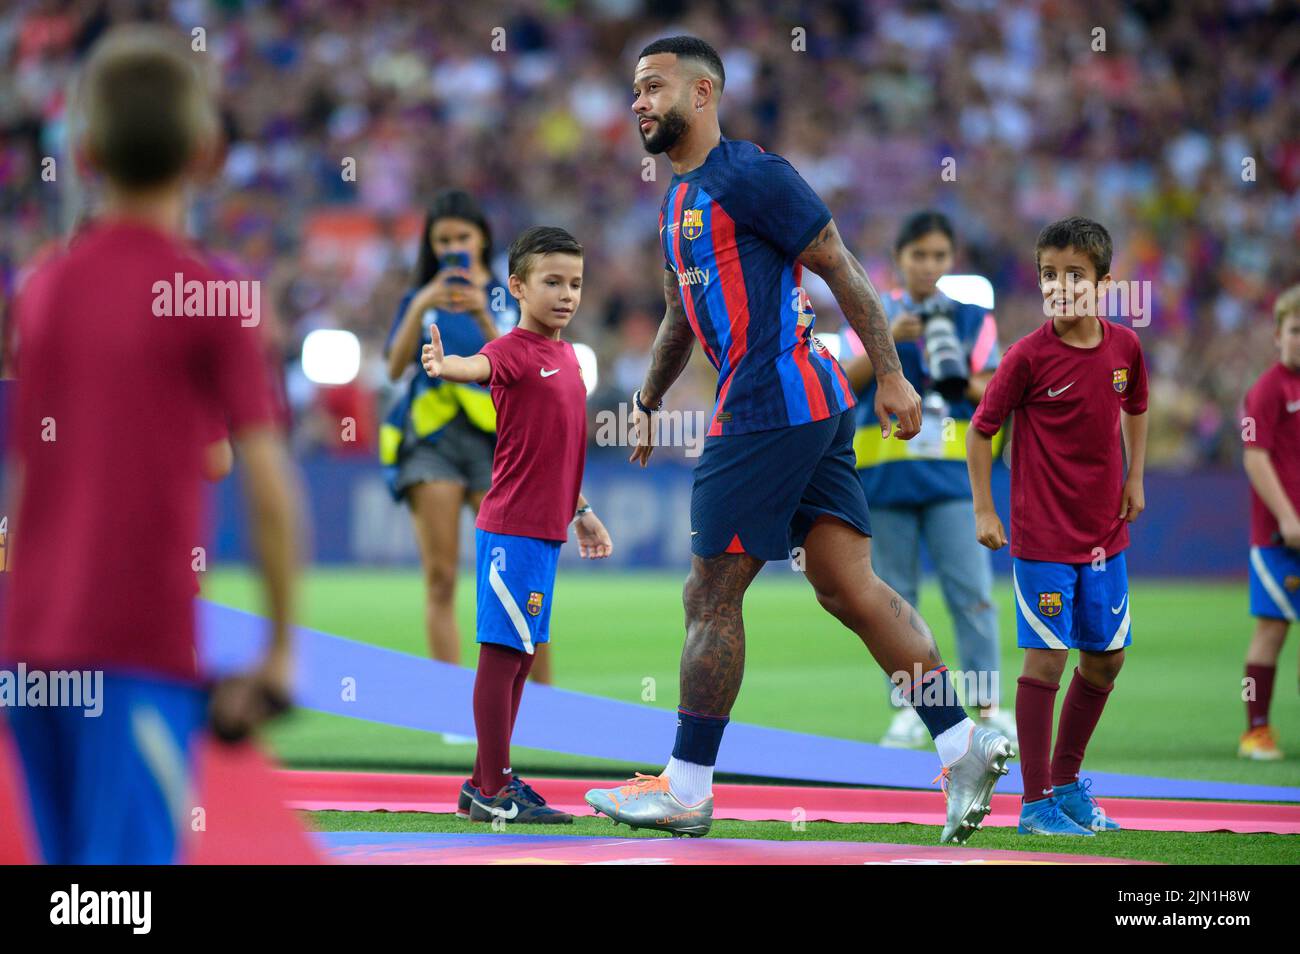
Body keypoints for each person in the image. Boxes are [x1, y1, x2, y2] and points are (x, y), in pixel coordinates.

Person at [584, 35, 1014, 844]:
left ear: (703, 93)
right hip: (806, 407)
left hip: (766, 409)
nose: (638, 102)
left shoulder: (752, 175)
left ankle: (686, 788)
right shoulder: (679, 200)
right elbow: (682, 315)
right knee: (849, 588)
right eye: (633, 90)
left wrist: (890, 374)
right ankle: (963, 742)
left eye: (652, 87)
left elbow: (841, 267)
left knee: (709, 595)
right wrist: (645, 396)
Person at [0, 25, 298, 863]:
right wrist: (276, 651)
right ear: (206, 154)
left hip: (32, 652)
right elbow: (268, 485)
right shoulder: (214, 296)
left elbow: (28, 480)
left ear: (86, 151)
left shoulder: (41, 290)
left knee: (72, 891)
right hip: (137, 645)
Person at [421, 226, 613, 823]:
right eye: (551, 281)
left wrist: (579, 511)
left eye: (575, 283)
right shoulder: (514, 349)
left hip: (545, 530)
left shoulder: (568, 357)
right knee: (502, 656)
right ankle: (495, 786)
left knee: (522, 656)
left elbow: (558, 449)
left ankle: (483, 782)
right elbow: (478, 366)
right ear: (517, 288)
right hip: (511, 530)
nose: (566, 294)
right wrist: (445, 365)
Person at [967, 216, 1148, 836]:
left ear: (1103, 282)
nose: (1061, 286)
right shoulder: (1026, 357)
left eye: (1075, 275)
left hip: (1106, 537)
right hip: (1042, 538)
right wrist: (985, 509)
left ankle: (1069, 787)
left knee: (1106, 661)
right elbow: (981, 430)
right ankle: (1036, 803)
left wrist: (1136, 476)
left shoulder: (1125, 348)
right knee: (1045, 662)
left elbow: (1137, 407)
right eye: (1049, 275)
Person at [842, 211, 1013, 748]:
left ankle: (987, 707)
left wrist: (960, 368)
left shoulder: (971, 319)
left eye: (939, 256)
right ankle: (912, 710)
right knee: (894, 602)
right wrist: (886, 339)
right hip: (884, 477)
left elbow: (996, 389)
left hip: (952, 480)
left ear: (950, 259)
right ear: (899, 259)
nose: (929, 266)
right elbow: (842, 382)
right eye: (919, 255)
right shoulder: (871, 312)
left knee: (973, 596)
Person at [381, 191, 552, 687]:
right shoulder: (418, 295)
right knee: (441, 577)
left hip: (496, 441)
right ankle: (450, 706)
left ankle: (543, 704)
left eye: (462, 237)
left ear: (481, 239)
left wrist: (480, 314)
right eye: (443, 240)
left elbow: (520, 358)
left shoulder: (508, 292)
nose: (453, 247)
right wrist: (421, 304)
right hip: (431, 439)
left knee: (519, 576)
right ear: (431, 246)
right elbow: (394, 367)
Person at [1239, 283, 1300, 760]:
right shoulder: (1267, 390)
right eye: (1295, 331)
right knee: (1271, 631)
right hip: (1278, 537)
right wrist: (1287, 515)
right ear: (1279, 336)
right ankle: (1255, 728)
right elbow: (1255, 458)